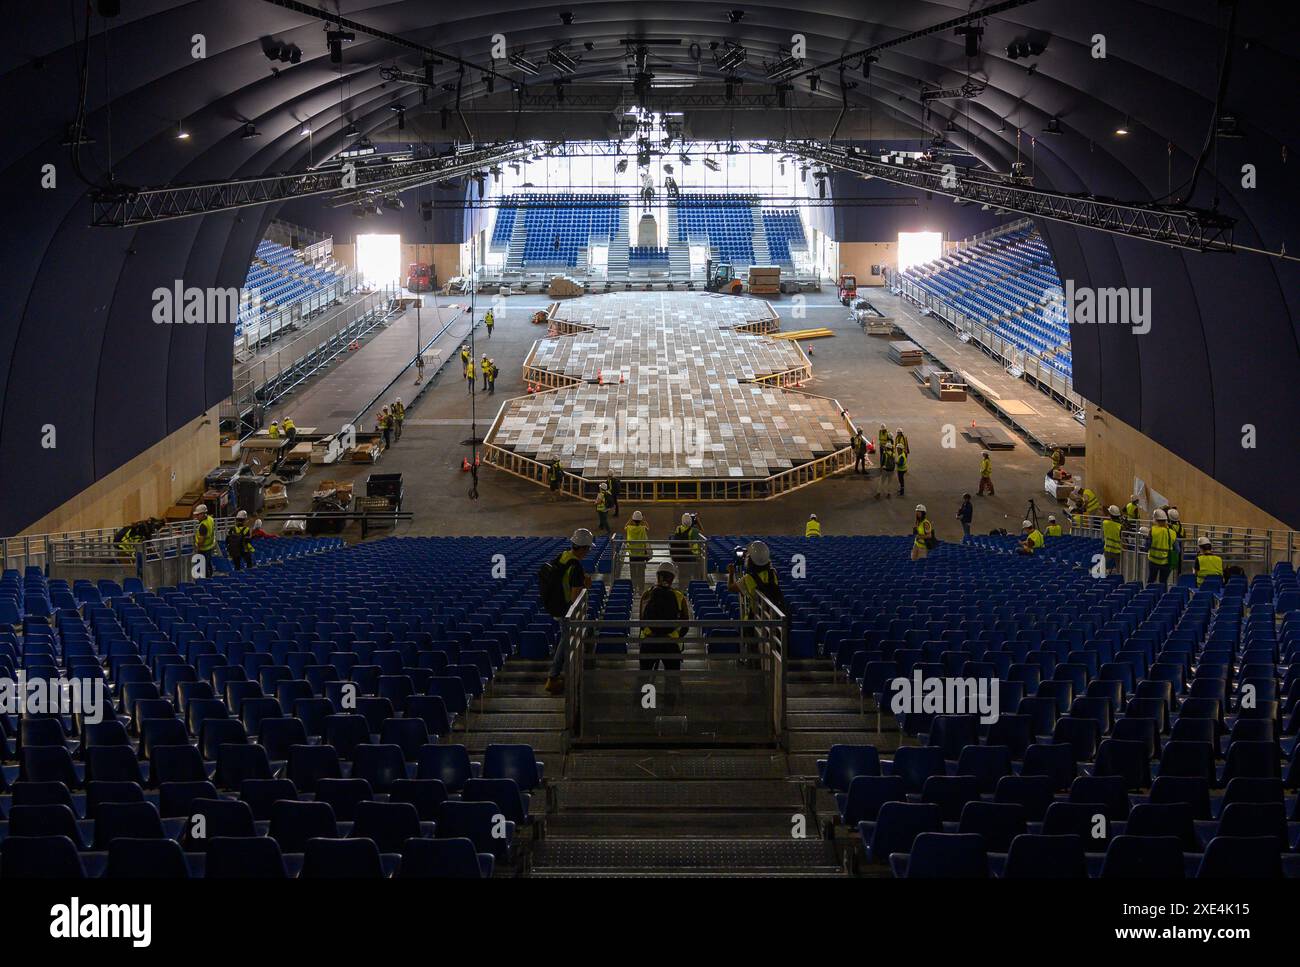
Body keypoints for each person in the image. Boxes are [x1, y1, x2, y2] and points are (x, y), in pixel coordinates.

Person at [543, 528, 595, 695]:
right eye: (588, 548)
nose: (588, 552)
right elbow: (574, 597)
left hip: (556, 605)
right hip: (566, 610)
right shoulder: (576, 565)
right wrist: (585, 585)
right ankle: (553, 677)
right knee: (566, 641)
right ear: (583, 548)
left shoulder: (563, 556)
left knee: (565, 640)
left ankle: (561, 674)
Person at [727, 540, 787, 665]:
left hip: (754, 618)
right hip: (771, 618)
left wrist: (731, 572)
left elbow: (731, 587)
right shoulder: (773, 573)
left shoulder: (748, 579)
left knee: (753, 651)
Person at [639, 561, 690, 674]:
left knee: (644, 677)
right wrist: (676, 636)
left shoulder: (647, 594)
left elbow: (641, 621)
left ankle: (645, 691)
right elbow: (686, 624)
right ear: (672, 578)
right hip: (671, 642)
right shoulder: (679, 596)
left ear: (658, 576)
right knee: (673, 678)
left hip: (649, 641)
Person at [669, 512, 704, 584]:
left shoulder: (678, 528)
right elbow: (702, 531)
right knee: (691, 574)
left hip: (680, 555)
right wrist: (698, 522)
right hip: (691, 555)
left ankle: (682, 587)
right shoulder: (693, 531)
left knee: (682, 573)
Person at [1146, 508, 1175, 585]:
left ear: (1155, 520)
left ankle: (1149, 596)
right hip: (1167, 562)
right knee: (1163, 582)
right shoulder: (1172, 532)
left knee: (1151, 581)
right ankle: (1162, 596)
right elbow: (1177, 549)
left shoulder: (1152, 530)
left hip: (1153, 561)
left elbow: (1147, 546)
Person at [625, 510, 651, 589]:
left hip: (632, 553)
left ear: (633, 519)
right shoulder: (643, 528)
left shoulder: (629, 528)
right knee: (641, 572)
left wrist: (630, 519)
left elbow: (625, 526)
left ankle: (633, 586)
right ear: (641, 520)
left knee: (633, 571)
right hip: (641, 554)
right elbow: (648, 528)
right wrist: (644, 520)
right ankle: (641, 588)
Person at [193, 503, 216, 577]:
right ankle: (210, 578)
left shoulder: (203, 525)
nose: (196, 517)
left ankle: (207, 582)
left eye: (198, 515)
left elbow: (201, 541)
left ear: (203, 514)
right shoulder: (210, 519)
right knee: (208, 565)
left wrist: (197, 547)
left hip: (203, 549)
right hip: (210, 546)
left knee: (204, 568)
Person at [1102, 505, 1124, 574]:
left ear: (1110, 514)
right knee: (1119, 570)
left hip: (1107, 550)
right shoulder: (1120, 526)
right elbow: (1122, 538)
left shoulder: (1105, 523)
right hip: (1117, 551)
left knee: (1104, 569)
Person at [1167, 508, 1185, 575]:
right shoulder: (1182, 529)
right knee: (1178, 572)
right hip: (1180, 553)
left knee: (1171, 571)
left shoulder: (1168, 528)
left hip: (1171, 551)